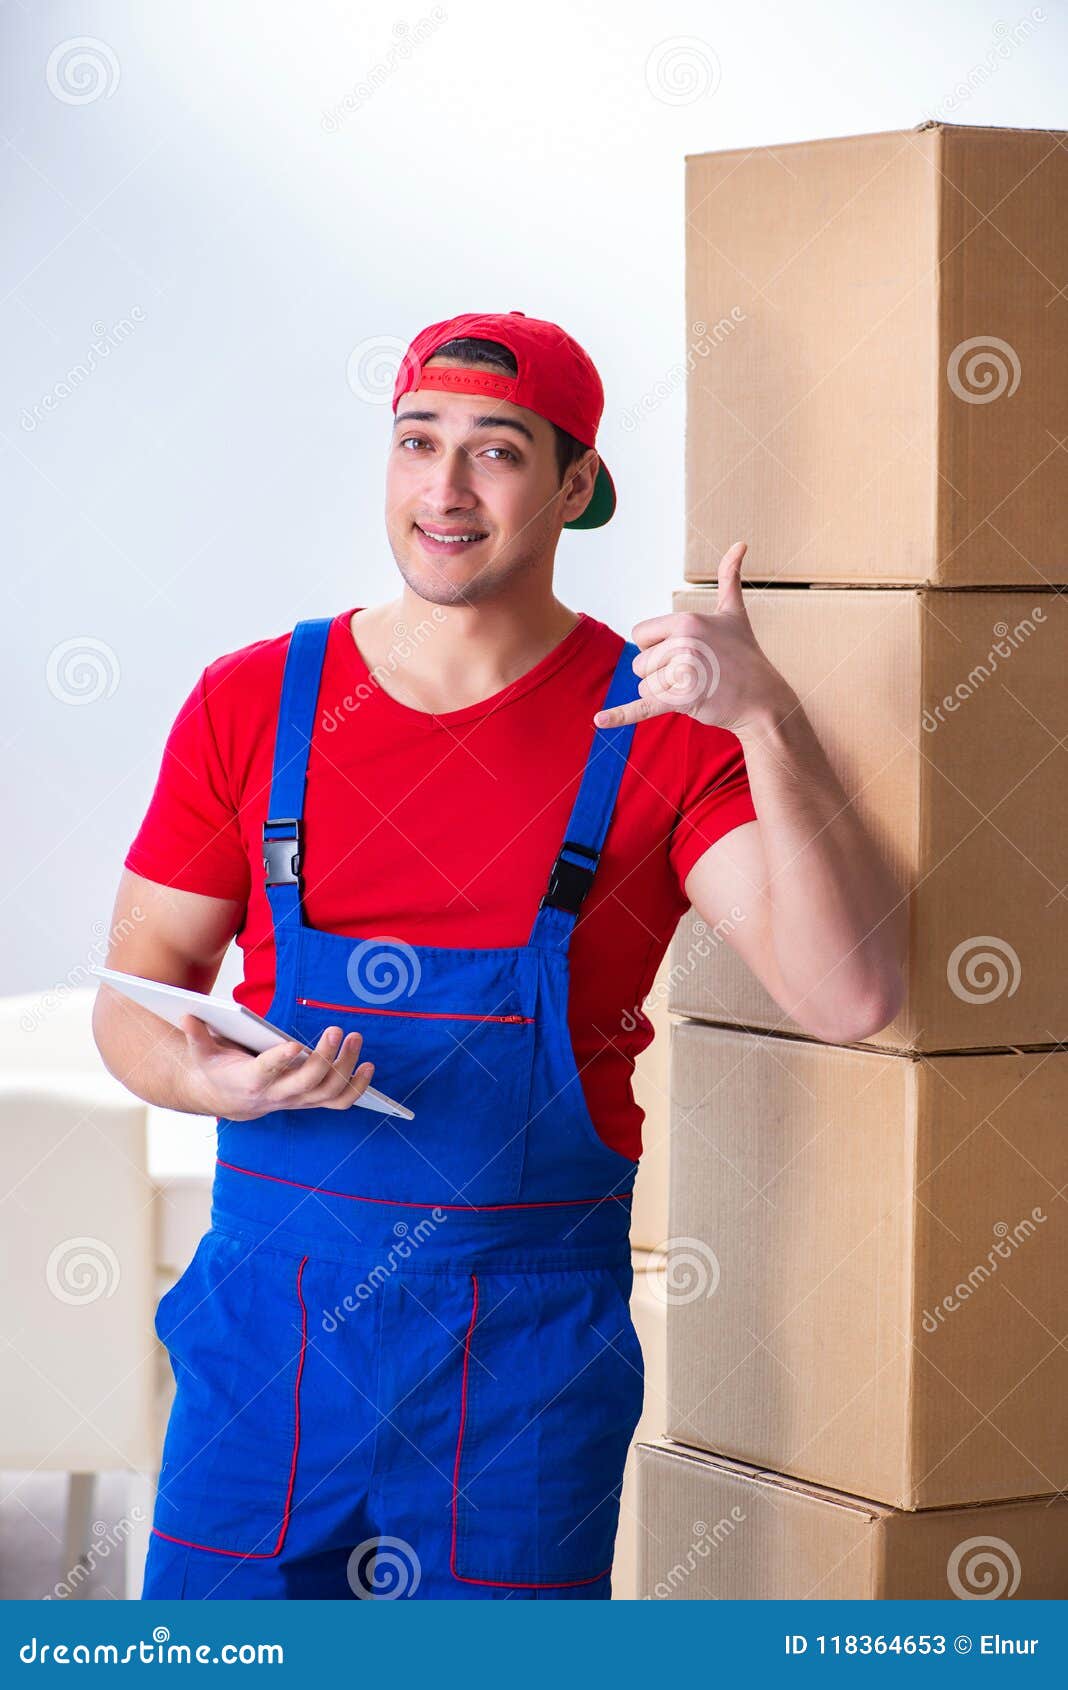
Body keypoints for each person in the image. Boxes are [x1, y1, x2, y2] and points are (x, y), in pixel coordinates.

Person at [93, 310, 905, 1600]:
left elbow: (851, 993)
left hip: (519, 1377)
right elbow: (136, 997)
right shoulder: (251, 702)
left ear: (577, 486)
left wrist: (765, 717)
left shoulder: (662, 727)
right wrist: (209, 1082)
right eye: (418, 444)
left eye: (498, 452)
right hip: (266, 1354)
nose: (446, 490)